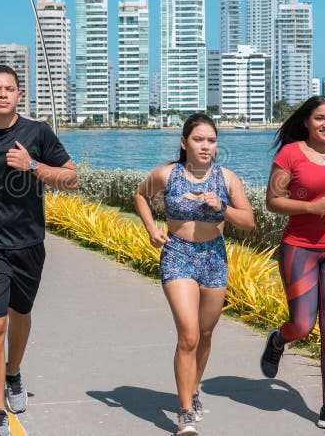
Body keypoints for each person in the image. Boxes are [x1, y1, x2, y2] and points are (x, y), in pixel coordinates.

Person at [0, 65, 78, 436]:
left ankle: (13, 372)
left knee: (20, 313)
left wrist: (33, 165)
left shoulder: (37, 133)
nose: (2, 94)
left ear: (20, 95)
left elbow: (70, 178)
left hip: (28, 243)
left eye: (9, 89)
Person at [134, 113, 255, 436]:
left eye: (211, 141)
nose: (205, 146)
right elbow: (140, 195)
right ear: (184, 142)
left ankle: (194, 388)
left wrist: (221, 207)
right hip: (178, 255)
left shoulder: (227, 179)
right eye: (198, 139)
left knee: (205, 333)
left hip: (214, 258)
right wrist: (152, 229)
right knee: (188, 335)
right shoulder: (167, 174)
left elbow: (248, 222)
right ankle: (185, 410)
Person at [259, 96, 325, 429]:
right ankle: (278, 340)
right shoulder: (289, 155)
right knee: (303, 324)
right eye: (320, 118)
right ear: (306, 121)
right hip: (300, 249)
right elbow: (272, 201)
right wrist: (310, 207)